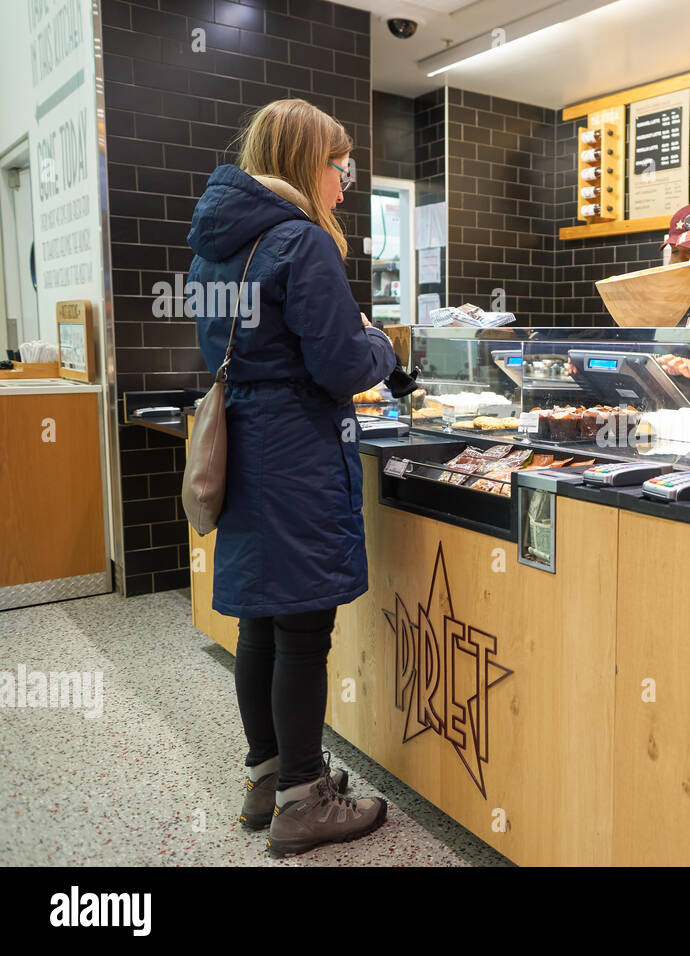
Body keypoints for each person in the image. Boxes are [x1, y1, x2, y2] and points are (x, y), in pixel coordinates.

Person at [188, 99, 395, 857]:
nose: (345, 185)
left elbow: (234, 345)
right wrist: (379, 346)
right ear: (312, 161)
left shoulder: (212, 246)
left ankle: (267, 781)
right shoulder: (301, 241)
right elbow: (339, 366)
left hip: (246, 443)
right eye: (342, 168)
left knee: (262, 623)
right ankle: (305, 803)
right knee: (304, 628)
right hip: (297, 453)